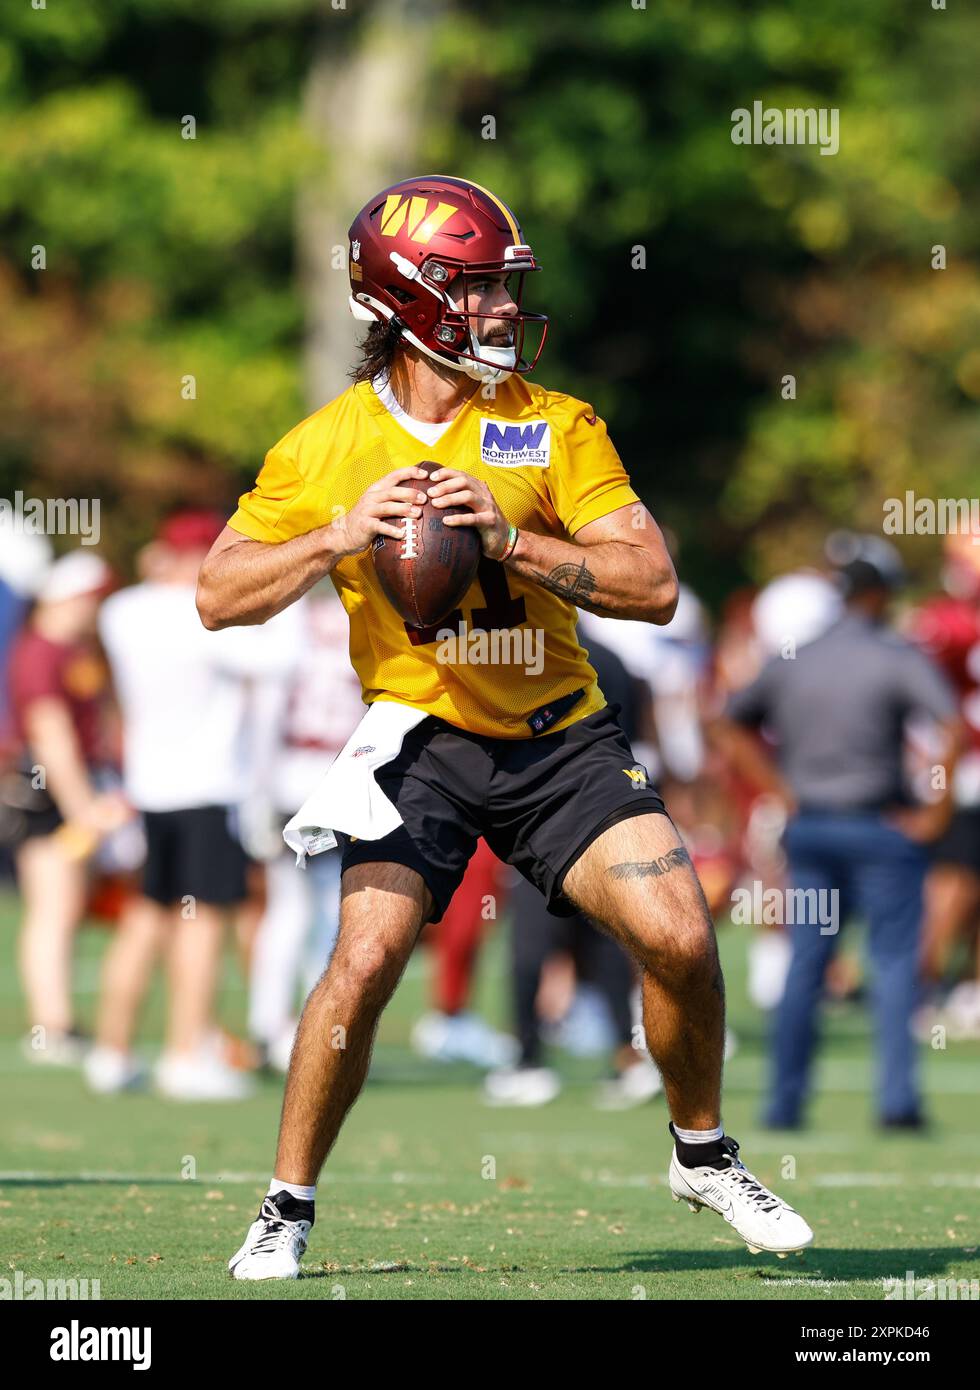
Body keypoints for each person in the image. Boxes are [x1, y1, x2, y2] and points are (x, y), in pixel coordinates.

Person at [199, 175, 812, 1278]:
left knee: (677, 935)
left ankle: (701, 1149)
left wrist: (514, 545)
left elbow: (655, 582)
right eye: (476, 289)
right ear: (406, 298)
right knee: (367, 956)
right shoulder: (322, 447)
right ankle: (285, 1204)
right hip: (418, 739)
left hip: (557, 734)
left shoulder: (550, 422)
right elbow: (219, 592)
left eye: (499, 288)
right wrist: (337, 535)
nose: (497, 310)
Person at [718, 537, 961, 1131]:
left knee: (806, 965)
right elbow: (952, 723)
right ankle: (897, 1102)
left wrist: (779, 788)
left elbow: (727, 724)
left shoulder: (799, 656)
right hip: (880, 826)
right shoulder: (893, 654)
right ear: (877, 594)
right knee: (895, 964)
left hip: (811, 828)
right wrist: (937, 807)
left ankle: (784, 1104)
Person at [89, 510, 299, 1100]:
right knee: (202, 925)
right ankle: (185, 1055)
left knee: (145, 918)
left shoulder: (123, 611)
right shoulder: (204, 620)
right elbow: (283, 656)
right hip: (207, 791)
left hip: (150, 790)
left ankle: (112, 1052)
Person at [6, 550, 129, 1063]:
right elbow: (49, 735)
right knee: (51, 909)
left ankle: (59, 1023)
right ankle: (51, 1027)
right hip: (43, 794)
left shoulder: (73, 650)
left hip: (68, 789)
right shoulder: (41, 651)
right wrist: (82, 807)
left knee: (68, 908)